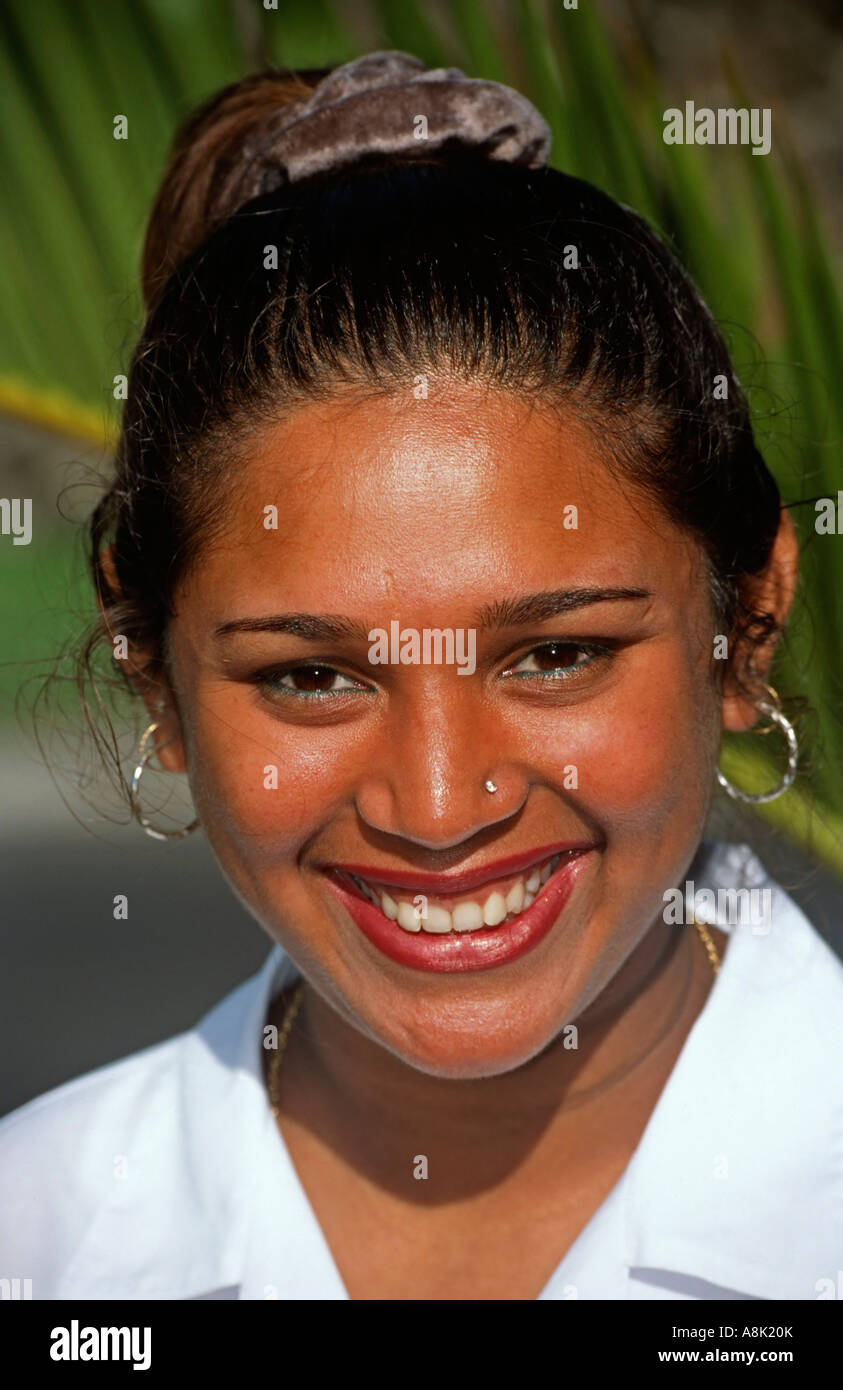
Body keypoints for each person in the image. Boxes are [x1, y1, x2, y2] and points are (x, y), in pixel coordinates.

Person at [1, 50, 841, 1302]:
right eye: (313, 676)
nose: (442, 809)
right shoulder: (43, 1235)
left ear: (749, 617)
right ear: (154, 673)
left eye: (556, 655)